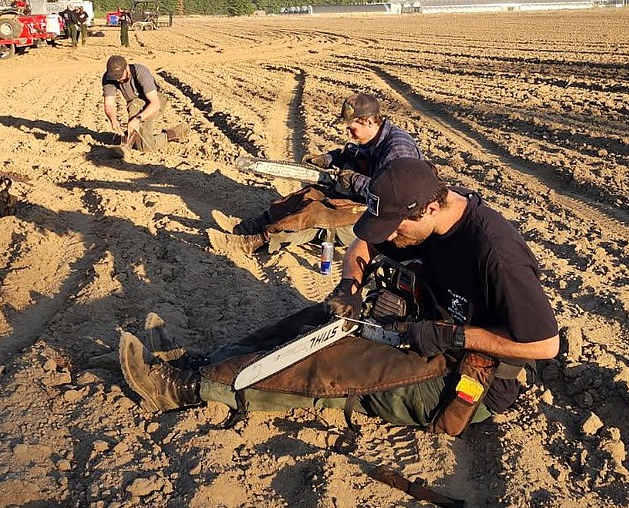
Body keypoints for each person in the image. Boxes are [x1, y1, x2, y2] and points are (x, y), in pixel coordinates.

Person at [120, 158, 560, 437]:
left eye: (395, 228)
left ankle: (185, 389)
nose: (391, 237)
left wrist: (454, 336)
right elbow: (361, 247)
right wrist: (349, 288)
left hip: (466, 376)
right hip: (425, 331)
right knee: (314, 322)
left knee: (331, 362)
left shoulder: (497, 255)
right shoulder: (424, 217)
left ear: (426, 210)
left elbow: (545, 345)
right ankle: (205, 362)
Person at [208, 92, 422, 255]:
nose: (349, 133)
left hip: (386, 219)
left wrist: (355, 181)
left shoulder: (397, 149)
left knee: (317, 214)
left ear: (367, 121)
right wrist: (328, 159)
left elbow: (394, 199)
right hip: (366, 199)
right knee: (309, 194)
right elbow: (352, 153)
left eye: (352, 128)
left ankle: (256, 242)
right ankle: (251, 225)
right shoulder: (374, 137)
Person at [102, 55, 190, 151]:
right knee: (141, 141)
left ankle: (175, 133)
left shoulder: (140, 72)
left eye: (120, 76)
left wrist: (137, 119)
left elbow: (155, 103)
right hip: (136, 105)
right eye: (115, 77)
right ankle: (129, 141)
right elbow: (109, 104)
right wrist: (113, 119)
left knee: (147, 147)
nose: (118, 80)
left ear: (126, 67)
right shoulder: (108, 79)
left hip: (154, 103)